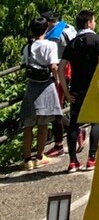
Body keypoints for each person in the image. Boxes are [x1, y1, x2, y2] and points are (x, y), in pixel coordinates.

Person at [19, 18, 63, 171]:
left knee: (28, 124)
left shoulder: (28, 46)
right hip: (46, 86)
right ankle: (39, 157)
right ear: (46, 29)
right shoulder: (51, 45)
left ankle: (27, 159)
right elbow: (53, 66)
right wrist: (57, 80)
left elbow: (25, 63)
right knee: (43, 123)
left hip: (32, 86)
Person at [63, 9, 99, 173]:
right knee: (96, 121)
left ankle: (72, 161)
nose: (95, 23)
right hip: (93, 87)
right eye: (94, 20)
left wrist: (66, 92)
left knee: (74, 123)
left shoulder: (72, 43)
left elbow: (61, 68)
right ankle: (91, 158)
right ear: (88, 23)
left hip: (76, 89)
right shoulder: (96, 40)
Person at [41, 11, 76, 156]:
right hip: (68, 70)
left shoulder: (55, 36)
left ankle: (62, 141)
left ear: (49, 22)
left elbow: (54, 60)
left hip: (60, 73)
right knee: (57, 107)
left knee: (56, 108)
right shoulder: (68, 27)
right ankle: (61, 140)